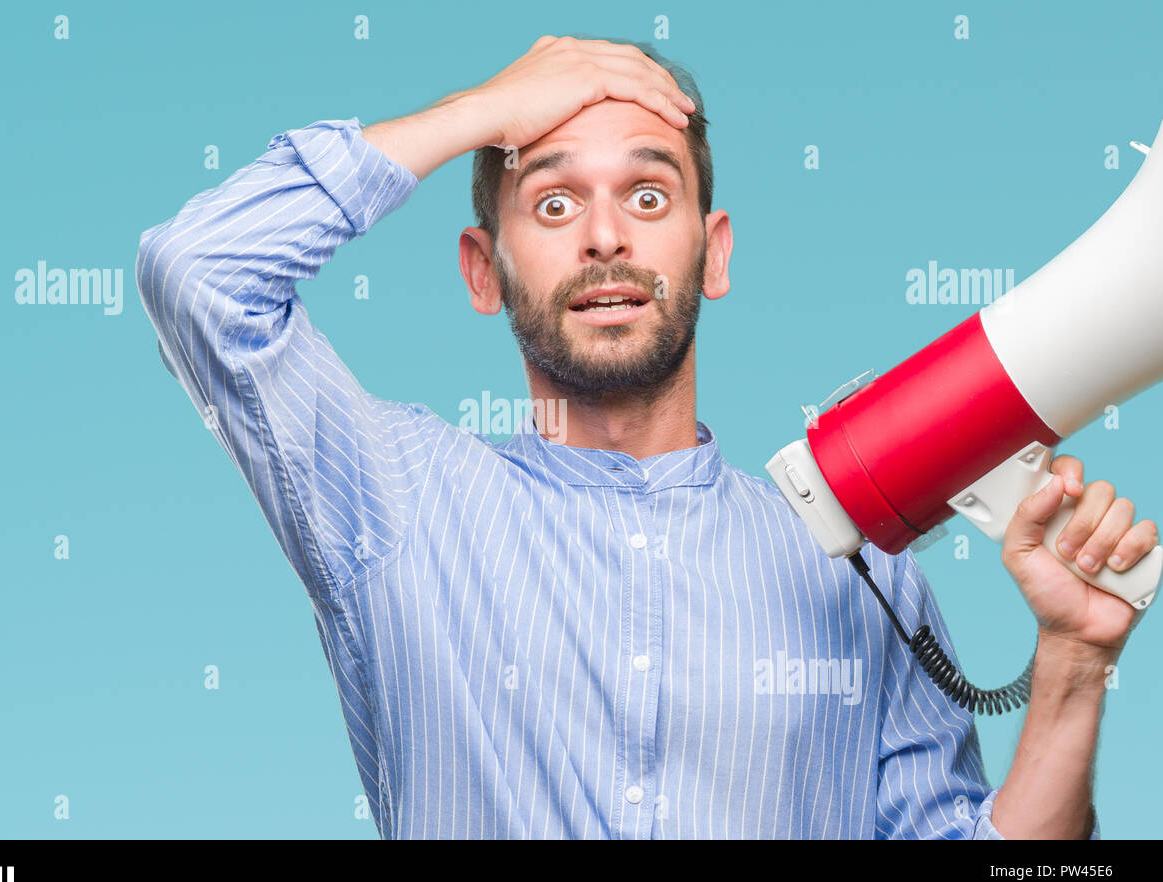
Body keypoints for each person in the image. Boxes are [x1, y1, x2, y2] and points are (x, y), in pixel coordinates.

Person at [135, 34, 1153, 839]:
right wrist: (479, 112)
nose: (606, 234)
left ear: (712, 252)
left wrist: (1069, 661)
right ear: (482, 271)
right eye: (554, 199)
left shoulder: (861, 575)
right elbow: (200, 271)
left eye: (650, 193)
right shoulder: (391, 497)